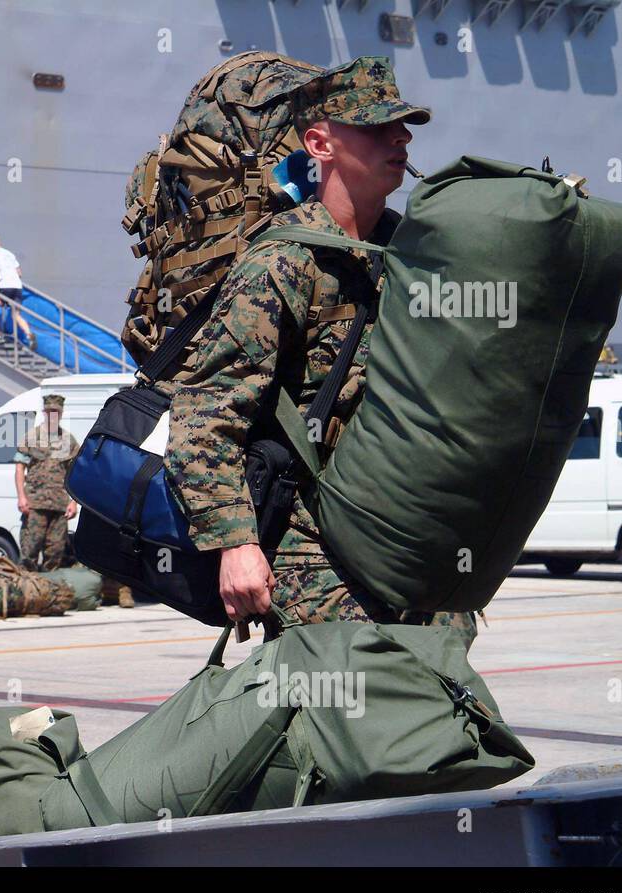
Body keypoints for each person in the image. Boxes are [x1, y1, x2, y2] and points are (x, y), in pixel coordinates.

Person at [163, 56, 474, 641]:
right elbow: (205, 415)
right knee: (348, 708)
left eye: (402, 125)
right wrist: (236, 543)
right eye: (378, 126)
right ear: (319, 144)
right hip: (312, 551)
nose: (401, 137)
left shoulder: (412, 258)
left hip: (405, 534)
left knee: (439, 702)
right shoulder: (283, 262)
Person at [14, 394, 79, 571]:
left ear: (61, 413)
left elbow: (75, 474)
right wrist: (21, 497)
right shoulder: (31, 437)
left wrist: (74, 503)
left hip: (59, 507)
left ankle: (49, 593)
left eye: (56, 412)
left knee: (56, 553)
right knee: (29, 552)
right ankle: (27, 594)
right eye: (49, 411)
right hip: (34, 505)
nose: (52, 415)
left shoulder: (69, 440)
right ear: (44, 412)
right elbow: (20, 468)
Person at [0, 234, 35, 347]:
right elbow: (19, 273)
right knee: (15, 314)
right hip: (17, 286)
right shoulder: (10, 254)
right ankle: (29, 335)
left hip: (5, 286)